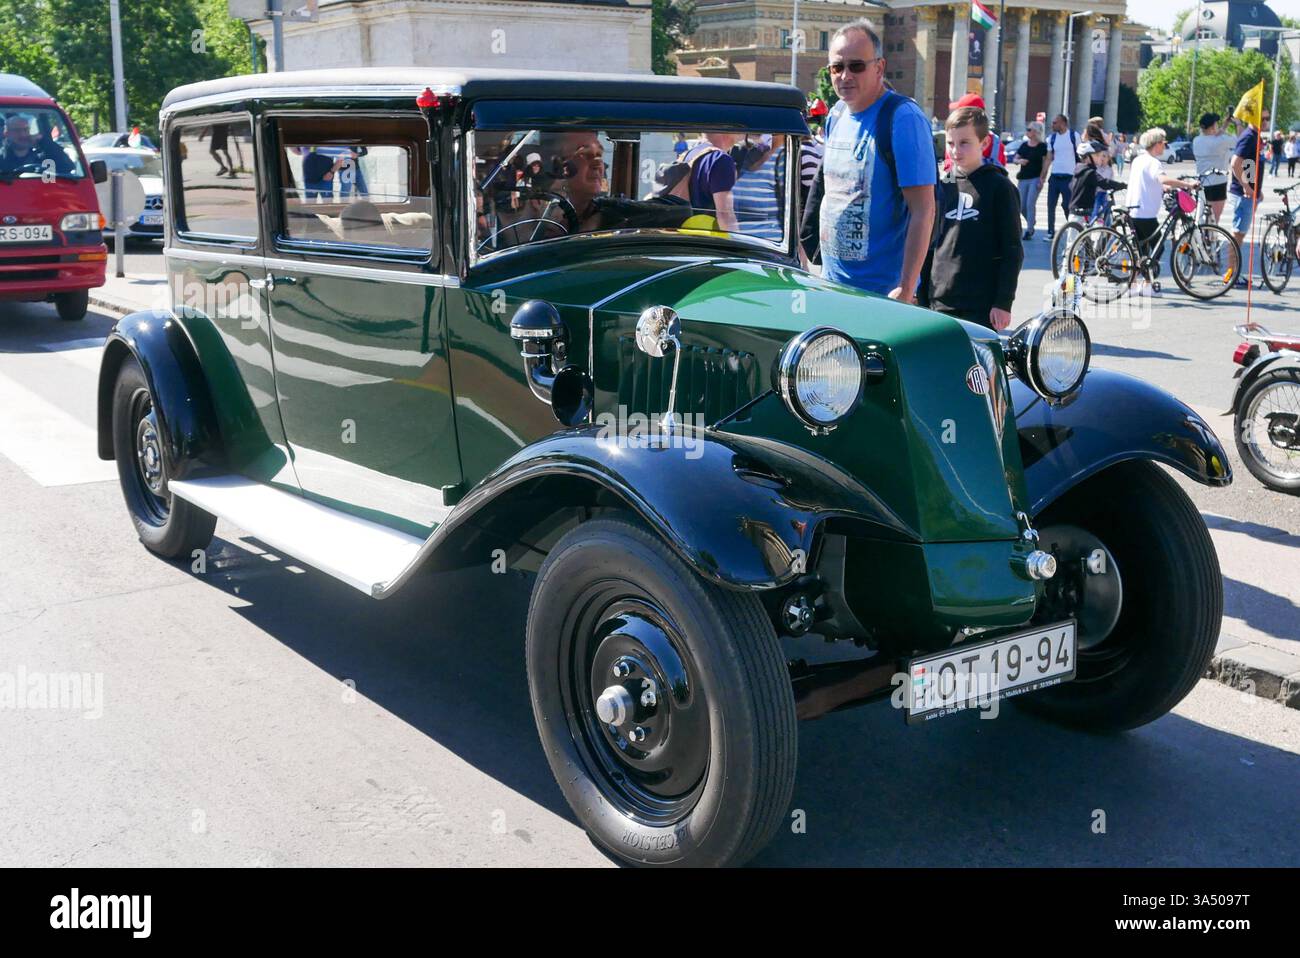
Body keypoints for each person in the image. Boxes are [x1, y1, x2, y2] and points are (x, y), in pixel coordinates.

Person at [800, 18, 936, 300]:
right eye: (837, 67)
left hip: (883, 293)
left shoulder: (904, 118)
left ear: (879, 67)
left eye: (856, 66)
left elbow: (923, 210)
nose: (845, 75)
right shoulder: (836, 114)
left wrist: (906, 286)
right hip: (832, 284)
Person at [921, 106, 1022, 330]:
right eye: (951, 143)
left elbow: (1012, 249)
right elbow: (930, 244)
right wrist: (921, 293)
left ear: (984, 143)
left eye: (964, 143)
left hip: (980, 303)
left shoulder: (1000, 187)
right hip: (939, 298)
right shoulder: (944, 185)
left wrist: (1003, 302)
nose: (955, 150)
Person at [1127, 128, 1197, 297]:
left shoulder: (1139, 160)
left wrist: (1164, 188)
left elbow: (1149, 181)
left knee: (1140, 250)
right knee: (1158, 247)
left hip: (1133, 209)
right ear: (1156, 144)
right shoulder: (1154, 162)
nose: (1165, 147)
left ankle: (1133, 285)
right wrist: (1187, 185)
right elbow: (1162, 178)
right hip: (1146, 213)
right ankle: (1147, 285)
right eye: (1163, 143)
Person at [1229, 104, 1269, 264]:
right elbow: (1235, 163)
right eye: (1262, 118)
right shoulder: (1249, 137)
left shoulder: (1256, 136)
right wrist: (1247, 187)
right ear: (1253, 118)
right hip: (1243, 194)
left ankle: (1233, 271)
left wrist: (1257, 188)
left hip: (1250, 193)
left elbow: (1249, 163)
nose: (1265, 122)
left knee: (1241, 234)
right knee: (1237, 235)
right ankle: (1231, 273)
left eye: (1267, 118)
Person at [731, 135, 786, 243]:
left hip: (767, 245)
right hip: (735, 244)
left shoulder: (783, 157)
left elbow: (791, 209)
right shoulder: (750, 153)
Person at [1192, 112, 1235, 224]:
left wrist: (1224, 127)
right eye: (1216, 124)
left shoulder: (1196, 140)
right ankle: (1211, 234)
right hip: (1218, 183)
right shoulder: (1222, 140)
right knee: (1215, 220)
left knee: (1201, 217)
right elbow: (1237, 141)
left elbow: (1212, 137)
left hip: (1202, 182)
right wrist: (1237, 124)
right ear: (1212, 127)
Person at [1068, 140, 1124, 224]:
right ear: (1088, 157)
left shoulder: (1078, 169)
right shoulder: (1089, 172)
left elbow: (1070, 186)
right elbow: (1104, 183)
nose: (1100, 158)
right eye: (1097, 155)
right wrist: (1122, 185)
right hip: (1082, 215)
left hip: (1075, 211)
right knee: (1083, 233)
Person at [0, 113, 75, 175]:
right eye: (17, 130)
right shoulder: (2, 158)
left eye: (26, 130)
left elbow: (67, 168)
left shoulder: (43, 156)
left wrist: (43, 142)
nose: (23, 134)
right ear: (6, 134)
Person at [1043, 114, 1079, 240]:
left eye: (1055, 122)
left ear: (1063, 123)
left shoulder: (1073, 136)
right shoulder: (1051, 138)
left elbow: (1080, 154)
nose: (1052, 125)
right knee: (1051, 205)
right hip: (1054, 176)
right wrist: (1043, 176)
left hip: (1069, 177)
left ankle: (1072, 229)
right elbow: (1048, 158)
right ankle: (1050, 231)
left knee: (1067, 205)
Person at [1011, 120, 1047, 239]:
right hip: (1023, 178)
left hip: (1035, 178)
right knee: (1021, 206)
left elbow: (1045, 164)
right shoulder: (1024, 145)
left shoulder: (1042, 146)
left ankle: (1029, 230)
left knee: (1030, 204)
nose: (1027, 131)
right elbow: (1015, 159)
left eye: (1029, 129)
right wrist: (1019, 161)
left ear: (1036, 132)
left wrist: (1042, 179)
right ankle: (1032, 221)